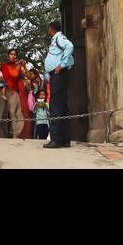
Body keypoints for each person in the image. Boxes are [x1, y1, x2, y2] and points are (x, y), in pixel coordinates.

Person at [43, 20, 75, 149]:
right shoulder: (56, 39)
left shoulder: (59, 38)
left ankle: (56, 139)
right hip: (58, 75)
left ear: (51, 28)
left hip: (58, 75)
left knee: (55, 106)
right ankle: (64, 139)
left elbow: (70, 46)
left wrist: (62, 64)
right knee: (62, 106)